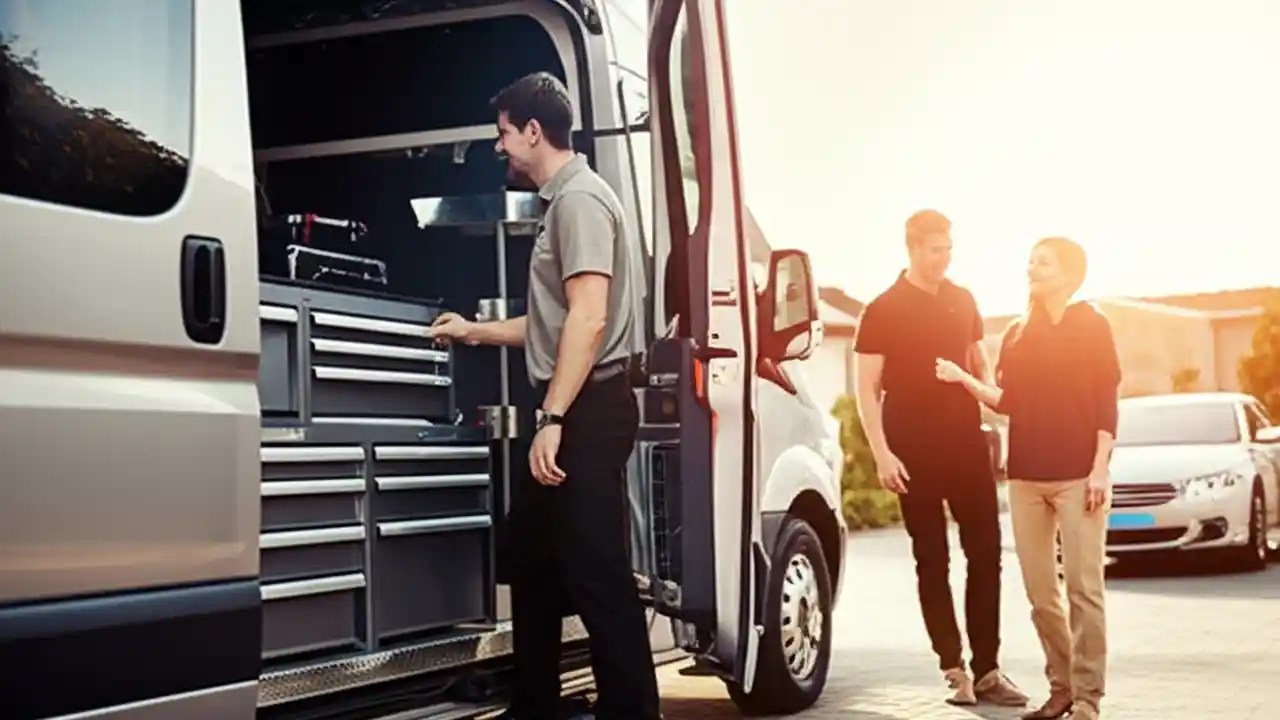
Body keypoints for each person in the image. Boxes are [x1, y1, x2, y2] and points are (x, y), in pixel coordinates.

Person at [428, 72, 659, 720]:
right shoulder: (565, 202)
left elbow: (588, 317)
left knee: (597, 573)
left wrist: (553, 417)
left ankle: (632, 712)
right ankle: (534, 704)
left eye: (503, 132)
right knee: (531, 558)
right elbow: (553, 324)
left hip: (587, 409)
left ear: (533, 131)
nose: (498, 146)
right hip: (575, 404)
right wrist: (473, 331)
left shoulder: (580, 201)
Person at [936, 236, 1120, 720]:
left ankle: (1088, 697)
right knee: (1042, 596)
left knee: (1083, 590)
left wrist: (1100, 467)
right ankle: (1062, 688)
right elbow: (1008, 402)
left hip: (1080, 476)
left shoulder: (1092, 324)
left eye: (1044, 263)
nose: (1032, 269)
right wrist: (963, 379)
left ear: (1070, 273)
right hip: (1026, 479)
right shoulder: (1018, 333)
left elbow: (1106, 399)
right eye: (1031, 261)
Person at [853, 210, 1028, 707]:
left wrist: (987, 392)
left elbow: (979, 360)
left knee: (986, 554)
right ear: (913, 247)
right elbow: (866, 388)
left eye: (949, 248)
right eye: (936, 250)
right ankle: (954, 669)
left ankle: (988, 669)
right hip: (911, 451)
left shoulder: (963, 299)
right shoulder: (881, 309)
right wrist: (882, 454)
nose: (944, 258)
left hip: (966, 444)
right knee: (932, 559)